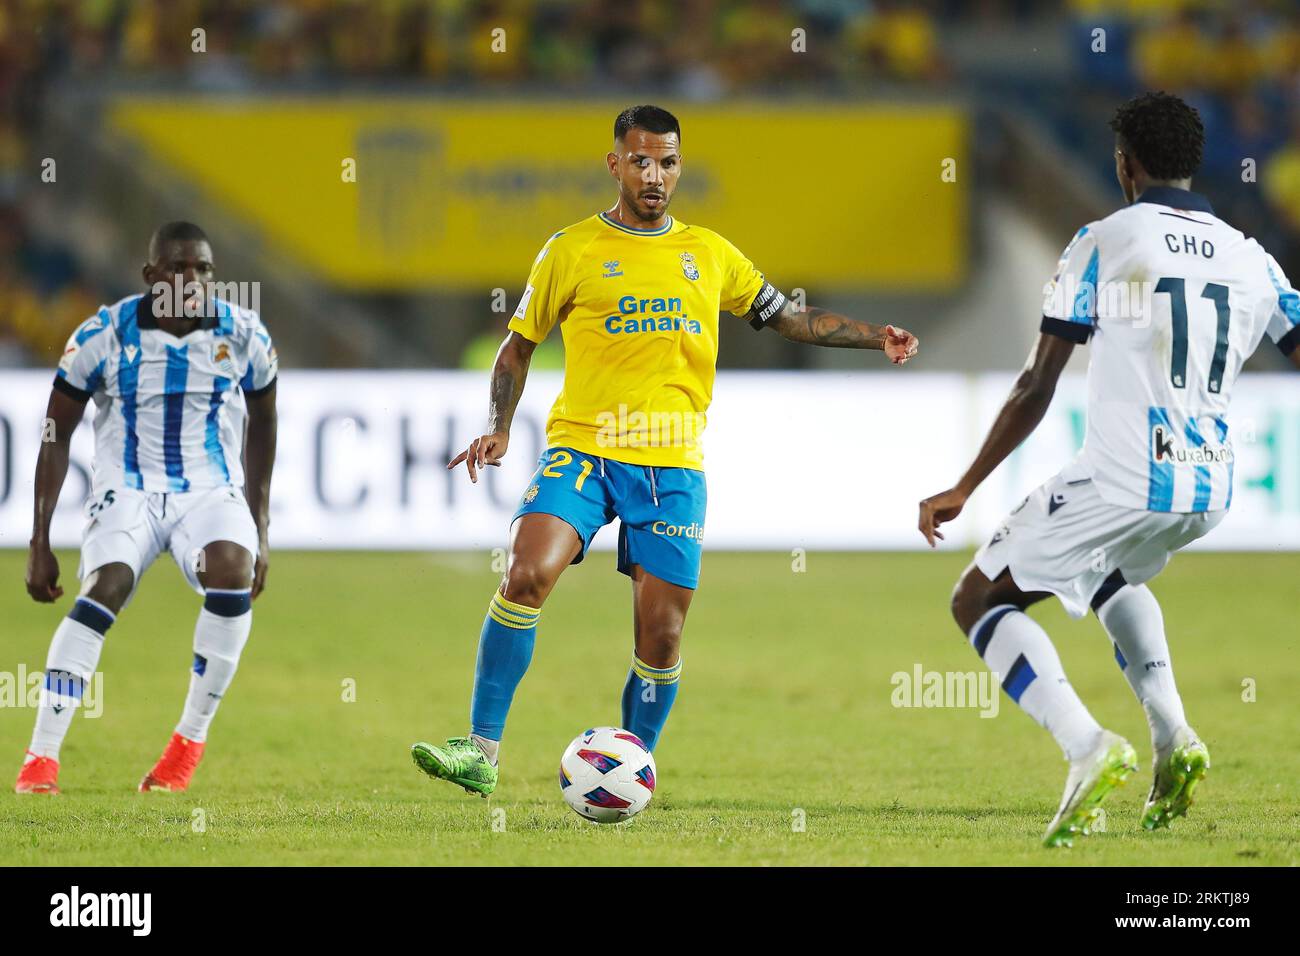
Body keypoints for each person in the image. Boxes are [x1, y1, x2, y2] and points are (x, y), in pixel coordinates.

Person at [412, 104, 918, 797]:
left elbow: (791, 318)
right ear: (615, 164)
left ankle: (627, 772)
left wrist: (873, 335)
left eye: (669, 162)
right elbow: (518, 343)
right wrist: (499, 422)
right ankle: (479, 749)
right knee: (525, 573)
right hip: (584, 450)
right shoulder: (571, 249)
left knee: (662, 639)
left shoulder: (709, 254)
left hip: (673, 466)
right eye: (642, 161)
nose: (656, 175)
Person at [918, 92, 1300, 847]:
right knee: (1108, 574)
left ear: (1124, 164)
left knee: (978, 597)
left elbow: (1038, 382)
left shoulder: (1104, 239)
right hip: (1211, 487)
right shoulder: (1251, 254)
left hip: (1127, 477)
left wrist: (965, 485)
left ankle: (1088, 747)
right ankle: (1174, 734)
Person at [16, 221, 278, 795]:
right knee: (105, 586)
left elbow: (264, 423)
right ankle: (41, 759)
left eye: (204, 268)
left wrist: (260, 526)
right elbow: (55, 431)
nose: (193, 279)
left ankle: (186, 744)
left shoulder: (245, 333)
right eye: (180, 267)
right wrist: (39, 542)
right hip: (127, 489)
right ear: (151, 276)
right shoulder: (103, 334)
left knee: (231, 570)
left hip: (208, 491)